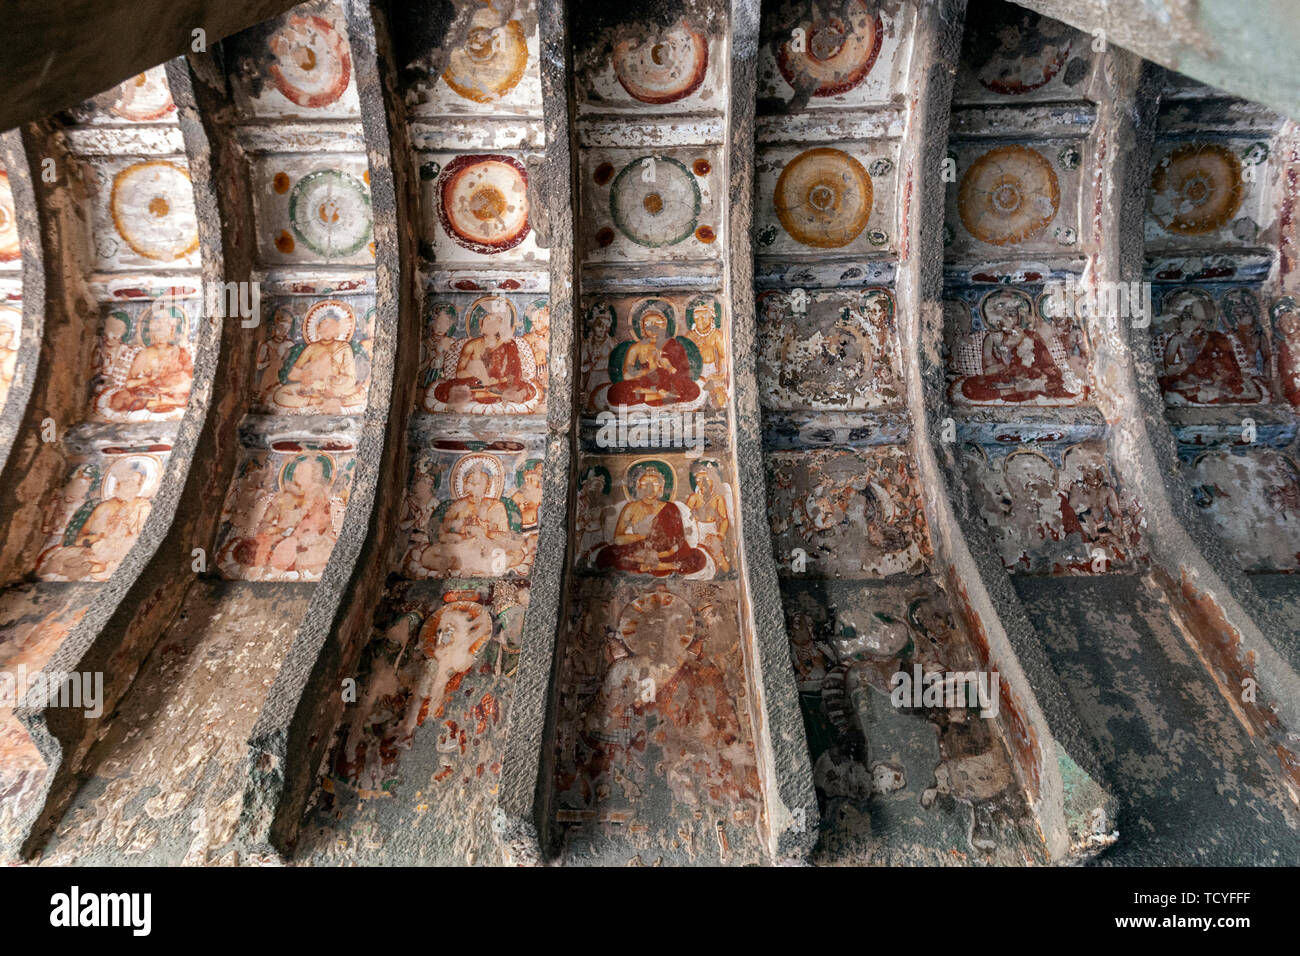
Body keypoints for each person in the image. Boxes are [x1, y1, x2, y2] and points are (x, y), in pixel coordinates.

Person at [596, 467, 706, 575]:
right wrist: (643, 537)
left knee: (698, 558)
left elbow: (679, 539)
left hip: (667, 551)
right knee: (607, 554)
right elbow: (618, 539)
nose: (649, 488)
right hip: (641, 549)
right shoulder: (631, 508)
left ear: (661, 488)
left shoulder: (670, 508)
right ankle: (664, 565)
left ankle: (646, 564)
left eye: (654, 484)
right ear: (638, 486)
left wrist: (665, 553)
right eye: (645, 484)